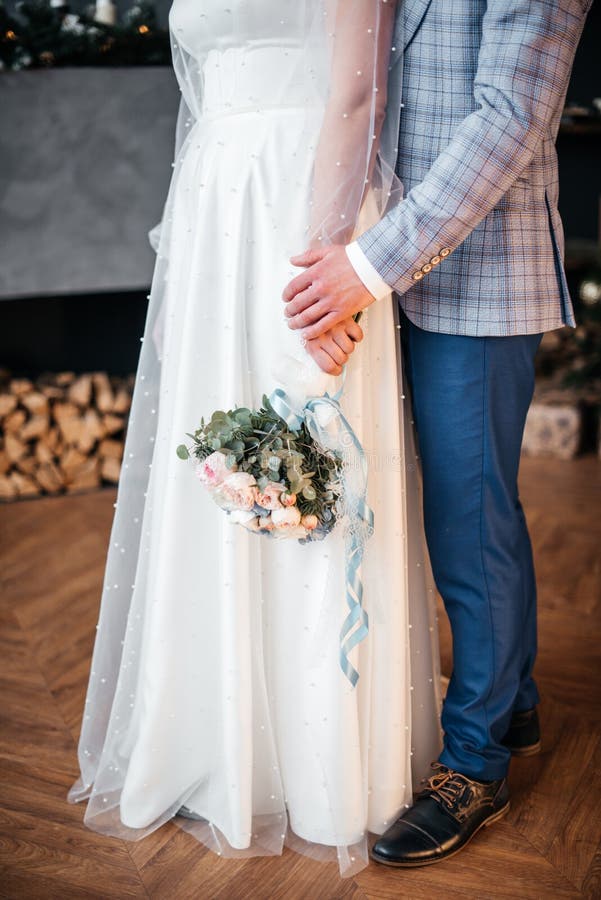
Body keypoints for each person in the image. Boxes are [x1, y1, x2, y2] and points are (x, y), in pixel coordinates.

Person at [67, 1, 443, 878]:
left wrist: (325, 265)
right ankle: (208, 737)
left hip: (301, 203)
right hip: (214, 214)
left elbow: (357, 94)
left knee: (311, 458)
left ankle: (320, 771)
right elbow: (199, 104)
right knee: (217, 465)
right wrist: (179, 255)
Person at [283, 0, 593, 867]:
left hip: (476, 270)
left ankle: (473, 765)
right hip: (377, 265)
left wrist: (366, 263)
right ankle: (514, 696)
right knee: (454, 510)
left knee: (467, 518)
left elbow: (508, 120)